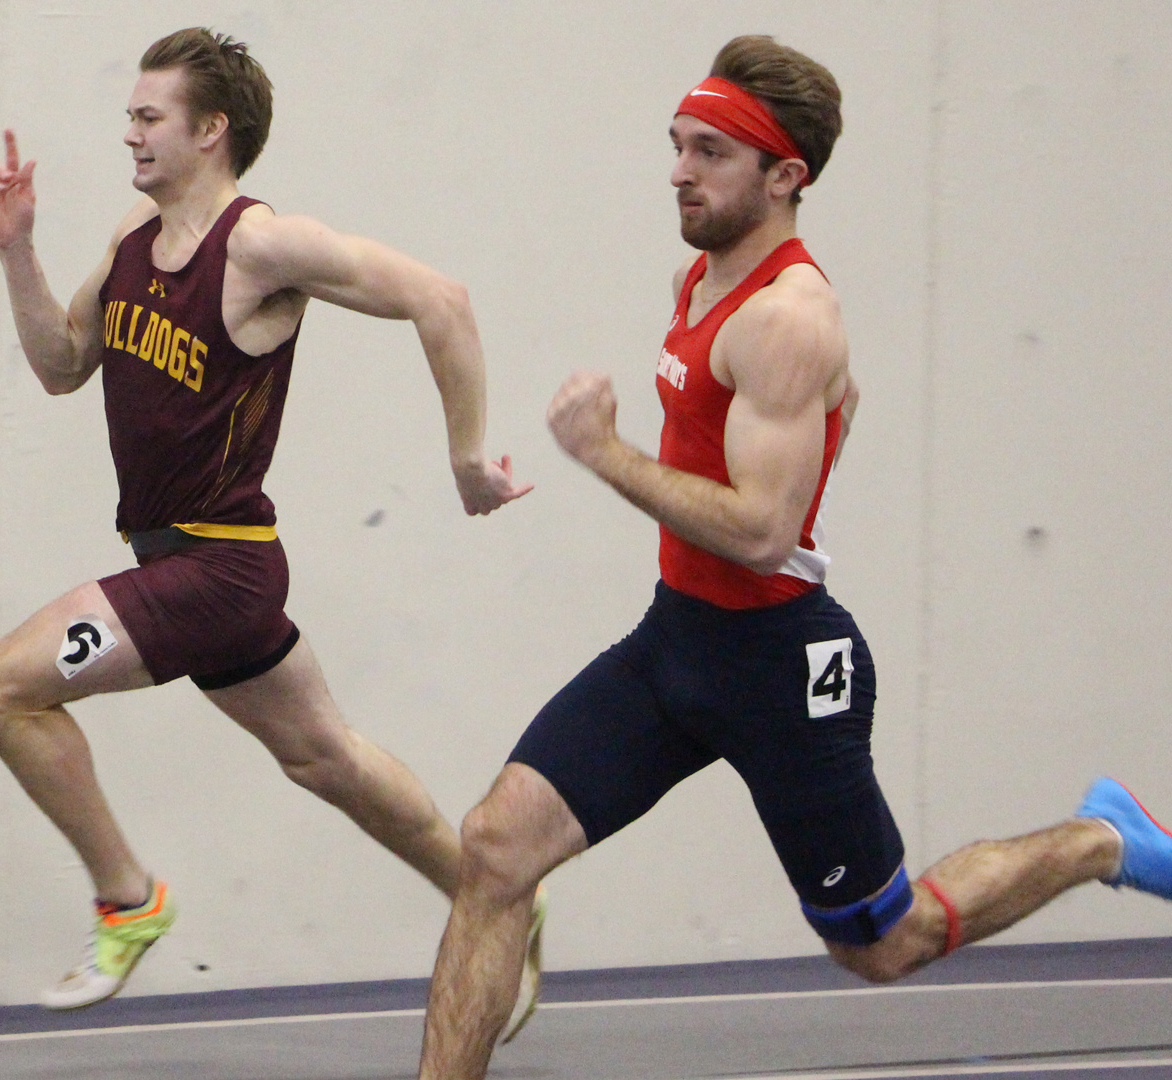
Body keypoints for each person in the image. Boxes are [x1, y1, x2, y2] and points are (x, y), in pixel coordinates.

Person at [416, 34, 1172, 1079]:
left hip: (782, 663)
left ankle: (1102, 840)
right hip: (677, 639)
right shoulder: (704, 276)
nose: (679, 169)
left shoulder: (789, 315)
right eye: (678, 145)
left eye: (711, 153)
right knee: (497, 847)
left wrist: (603, 453)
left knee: (879, 941)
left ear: (786, 176)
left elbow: (763, 530)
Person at [0, 27, 543, 1012]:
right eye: (130, 119)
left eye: (150, 118)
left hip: (213, 573)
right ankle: (494, 898)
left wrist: (466, 458)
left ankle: (126, 900)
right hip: (193, 572)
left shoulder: (260, 244)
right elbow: (62, 365)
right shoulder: (131, 246)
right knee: (328, 758)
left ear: (211, 130)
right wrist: (17, 251)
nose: (131, 136)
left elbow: (440, 299)